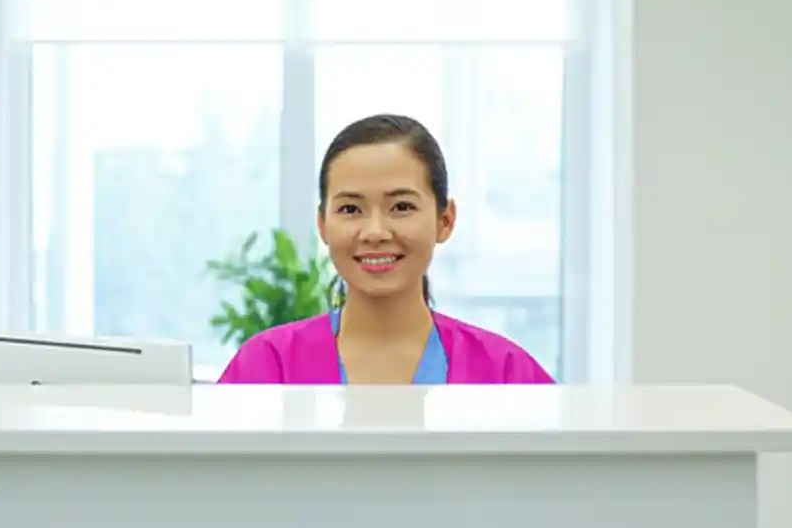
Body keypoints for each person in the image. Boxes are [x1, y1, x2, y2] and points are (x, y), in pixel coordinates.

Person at [218, 114, 553, 384]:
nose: (375, 232)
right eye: (351, 209)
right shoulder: (267, 367)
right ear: (322, 224)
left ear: (445, 220)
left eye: (401, 207)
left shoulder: (506, 374)